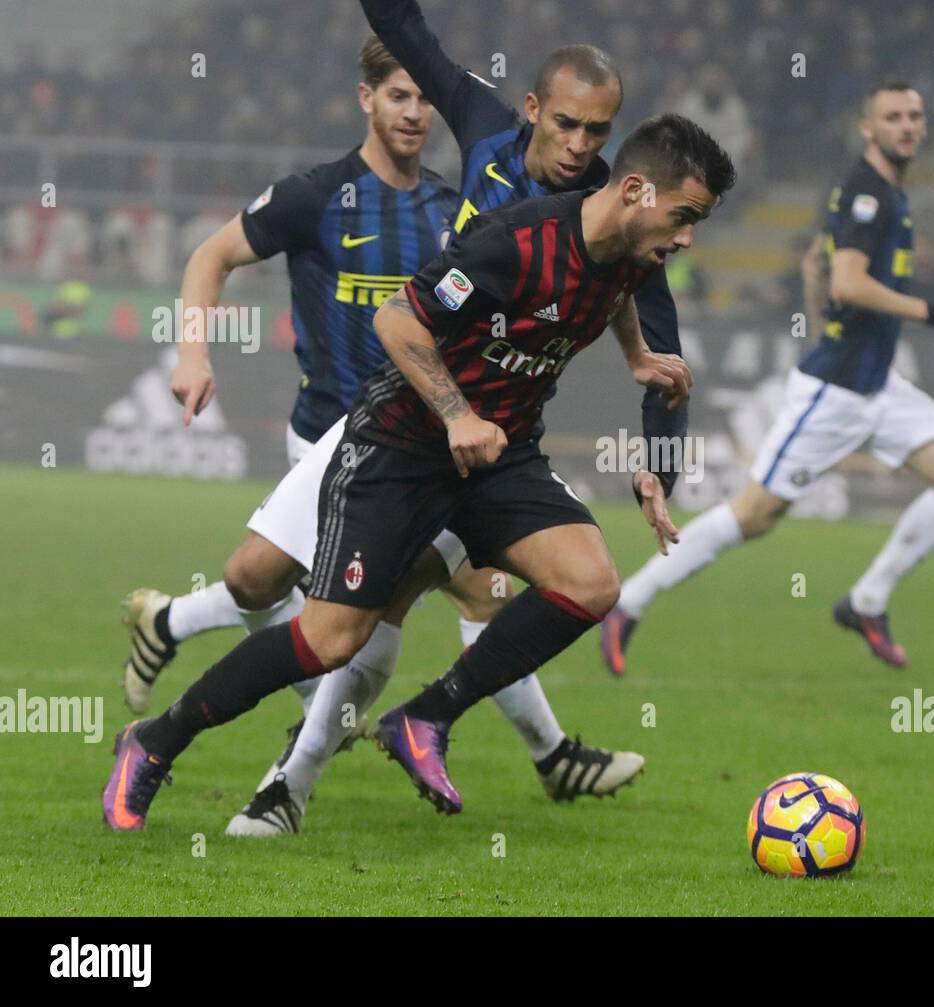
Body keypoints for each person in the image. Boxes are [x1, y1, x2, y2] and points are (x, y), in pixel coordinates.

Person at [102, 112, 736, 830]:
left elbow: (611, 292)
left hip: (498, 456)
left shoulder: (631, 252)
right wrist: (458, 413)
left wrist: (637, 358)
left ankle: (424, 718)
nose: (687, 237)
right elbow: (399, 321)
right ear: (633, 191)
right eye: (684, 216)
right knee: (328, 638)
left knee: (589, 580)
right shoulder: (516, 243)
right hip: (401, 446)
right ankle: (155, 740)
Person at [601, 81, 934, 676]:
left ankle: (866, 602)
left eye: (915, 115)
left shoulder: (887, 193)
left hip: (879, 384)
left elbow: (817, 265)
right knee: (753, 516)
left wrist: (821, 312)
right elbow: (849, 283)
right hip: (835, 391)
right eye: (893, 116)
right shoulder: (866, 193)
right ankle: (632, 599)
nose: (907, 125)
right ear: (868, 127)